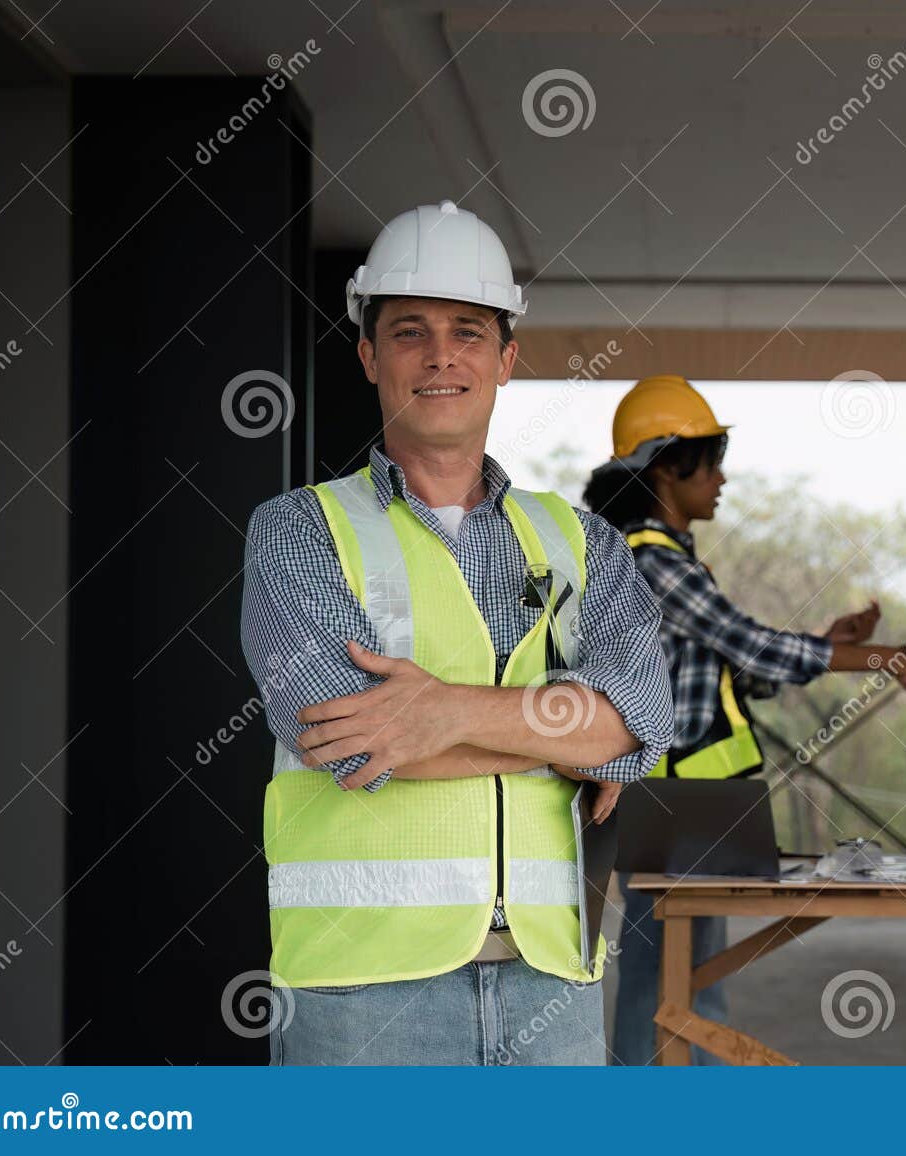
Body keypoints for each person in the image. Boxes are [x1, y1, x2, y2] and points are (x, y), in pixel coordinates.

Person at [240, 200, 673, 1066]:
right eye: (409, 331)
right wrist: (565, 738)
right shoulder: (298, 532)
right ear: (368, 355)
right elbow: (347, 739)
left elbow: (641, 723)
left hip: (552, 983)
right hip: (363, 997)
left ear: (507, 358)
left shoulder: (580, 540)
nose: (442, 355)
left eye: (469, 331)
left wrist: (443, 715)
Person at [584, 374, 906, 1066]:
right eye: (712, 461)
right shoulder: (649, 561)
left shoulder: (664, 560)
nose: (722, 479)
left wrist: (834, 640)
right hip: (675, 799)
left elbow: (740, 672)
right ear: (668, 466)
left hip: (694, 799)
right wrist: (885, 657)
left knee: (687, 973)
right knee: (667, 978)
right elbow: (755, 645)